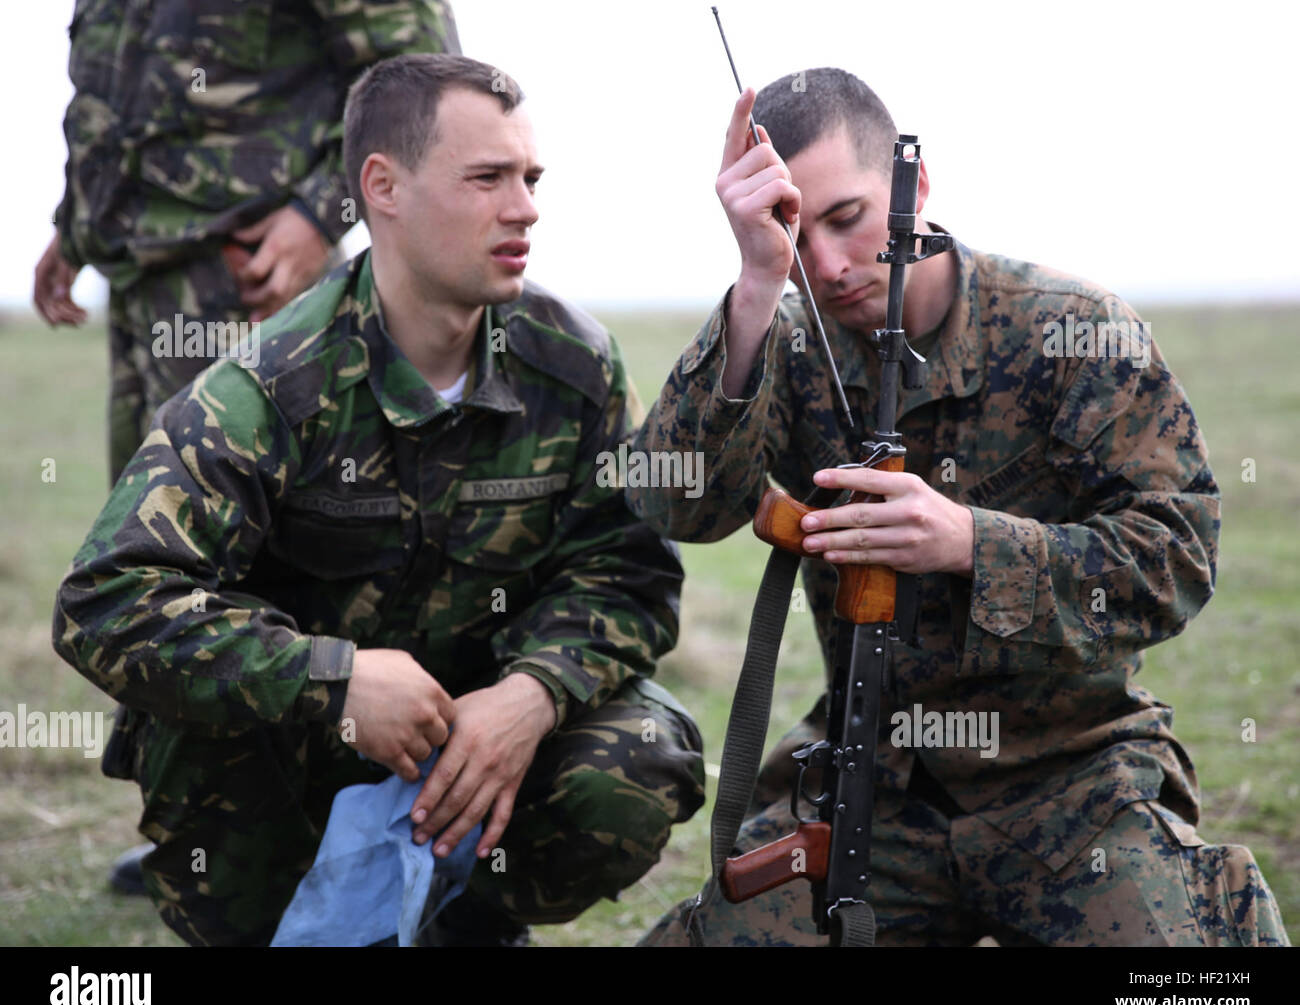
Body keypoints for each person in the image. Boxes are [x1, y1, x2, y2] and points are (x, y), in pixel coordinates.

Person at [51, 53, 704, 947]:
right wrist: (336, 678)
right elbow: (107, 600)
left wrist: (534, 692)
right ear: (383, 188)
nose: (525, 208)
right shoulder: (270, 386)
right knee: (208, 774)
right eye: (487, 179)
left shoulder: (573, 364)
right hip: (292, 758)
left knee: (633, 758)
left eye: (530, 178)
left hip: (476, 751)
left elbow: (627, 571)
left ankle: (472, 920)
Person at [628, 68, 1288, 947]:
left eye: (846, 217)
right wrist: (755, 290)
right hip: (873, 785)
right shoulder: (786, 342)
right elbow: (674, 501)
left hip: (1072, 780)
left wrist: (970, 543)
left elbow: (1177, 559)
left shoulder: (1072, 331)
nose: (824, 265)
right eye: (793, 228)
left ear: (915, 187)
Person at [34, 0, 462, 896]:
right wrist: (76, 226)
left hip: (247, 276)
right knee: (158, 562)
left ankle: (310, 841)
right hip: (144, 278)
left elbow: (427, 81)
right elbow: (119, 89)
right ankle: (199, 834)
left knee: (271, 560)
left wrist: (321, 213)